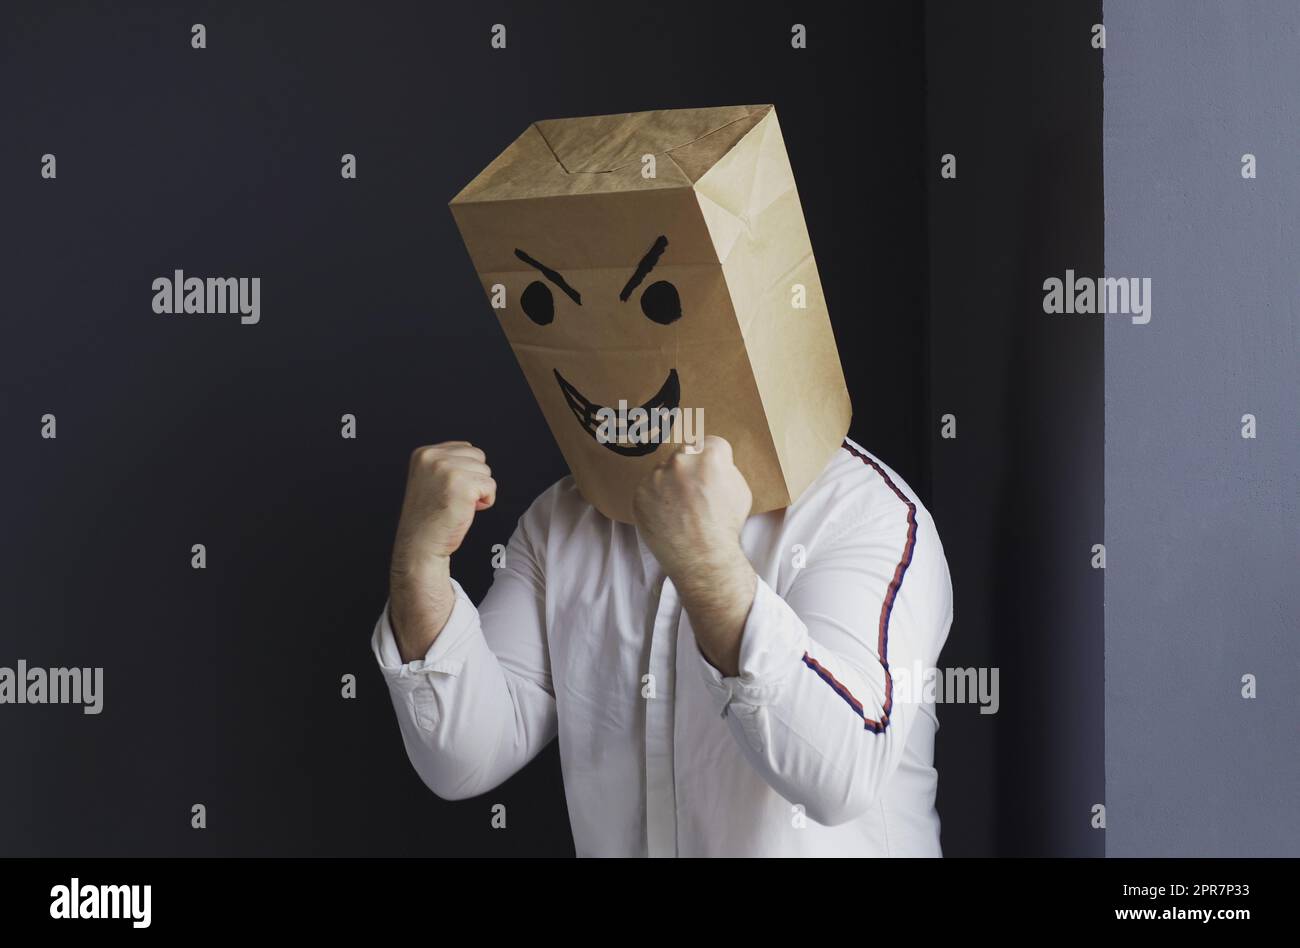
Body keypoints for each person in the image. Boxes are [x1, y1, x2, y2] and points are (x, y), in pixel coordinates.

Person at [372, 432, 953, 857]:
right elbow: (465, 755)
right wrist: (419, 565)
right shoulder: (562, 519)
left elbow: (840, 777)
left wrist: (709, 566)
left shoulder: (861, 511)